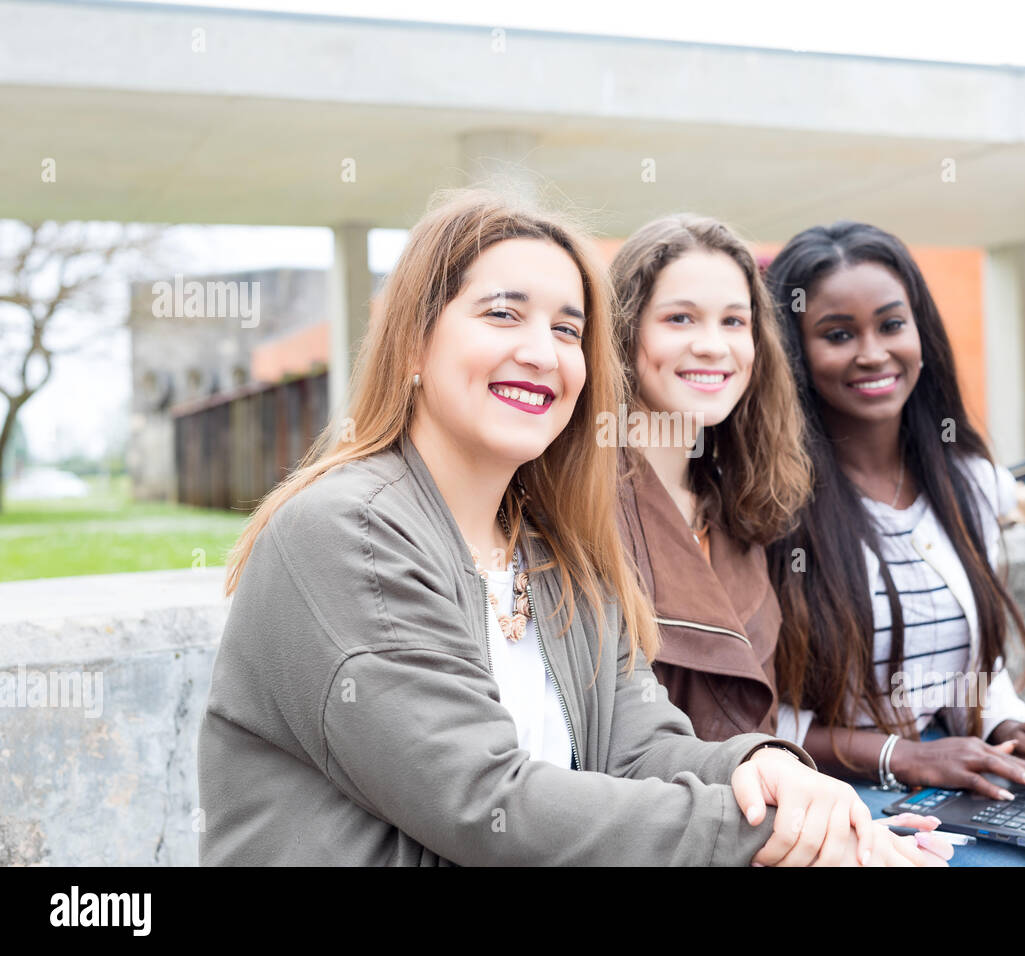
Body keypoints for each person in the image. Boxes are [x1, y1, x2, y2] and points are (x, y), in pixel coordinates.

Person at [196, 191, 948, 867]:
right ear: (415, 342)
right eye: (502, 313)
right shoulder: (348, 531)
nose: (541, 350)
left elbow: (640, 742)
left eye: (567, 329)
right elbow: (489, 805)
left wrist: (764, 770)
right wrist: (769, 831)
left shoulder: (555, 550)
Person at [763, 220, 1025, 866]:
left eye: (891, 325)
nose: (872, 353)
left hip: (950, 764)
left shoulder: (969, 484)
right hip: (838, 784)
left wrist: (1011, 728)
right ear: (794, 351)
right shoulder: (769, 504)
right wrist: (909, 757)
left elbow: (973, 676)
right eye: (838, 334)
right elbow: (747, 722)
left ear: (920, 334)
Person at [610, 214, 812, 743]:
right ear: (625, 330)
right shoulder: (583, 506)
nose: (712, 346)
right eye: (680, 319)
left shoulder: (735, 502)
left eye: (733, 322)